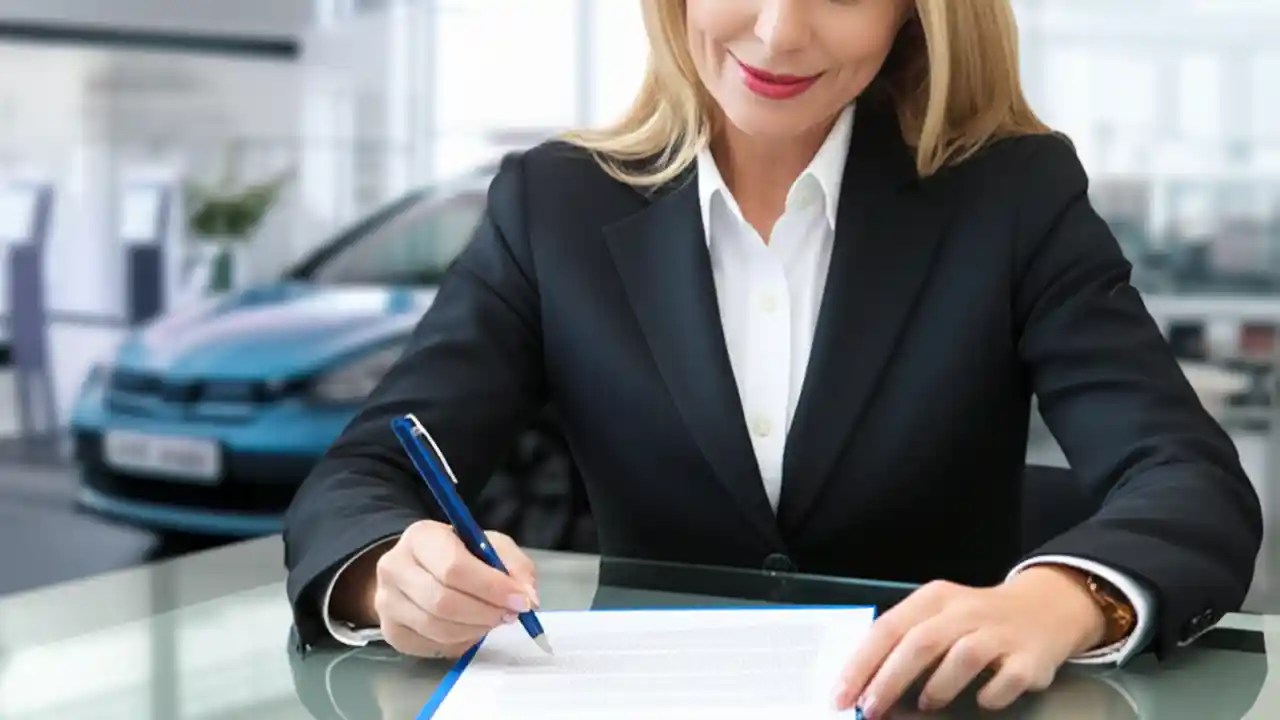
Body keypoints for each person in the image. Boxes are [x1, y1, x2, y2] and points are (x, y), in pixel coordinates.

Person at [284, 0, 1263, 715]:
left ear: (911, 16)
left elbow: (1184, 479)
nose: (777, 31)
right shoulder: (552, 205)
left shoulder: (1009, 196)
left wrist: (1062, 599)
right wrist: (385, 573)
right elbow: (366, 472)